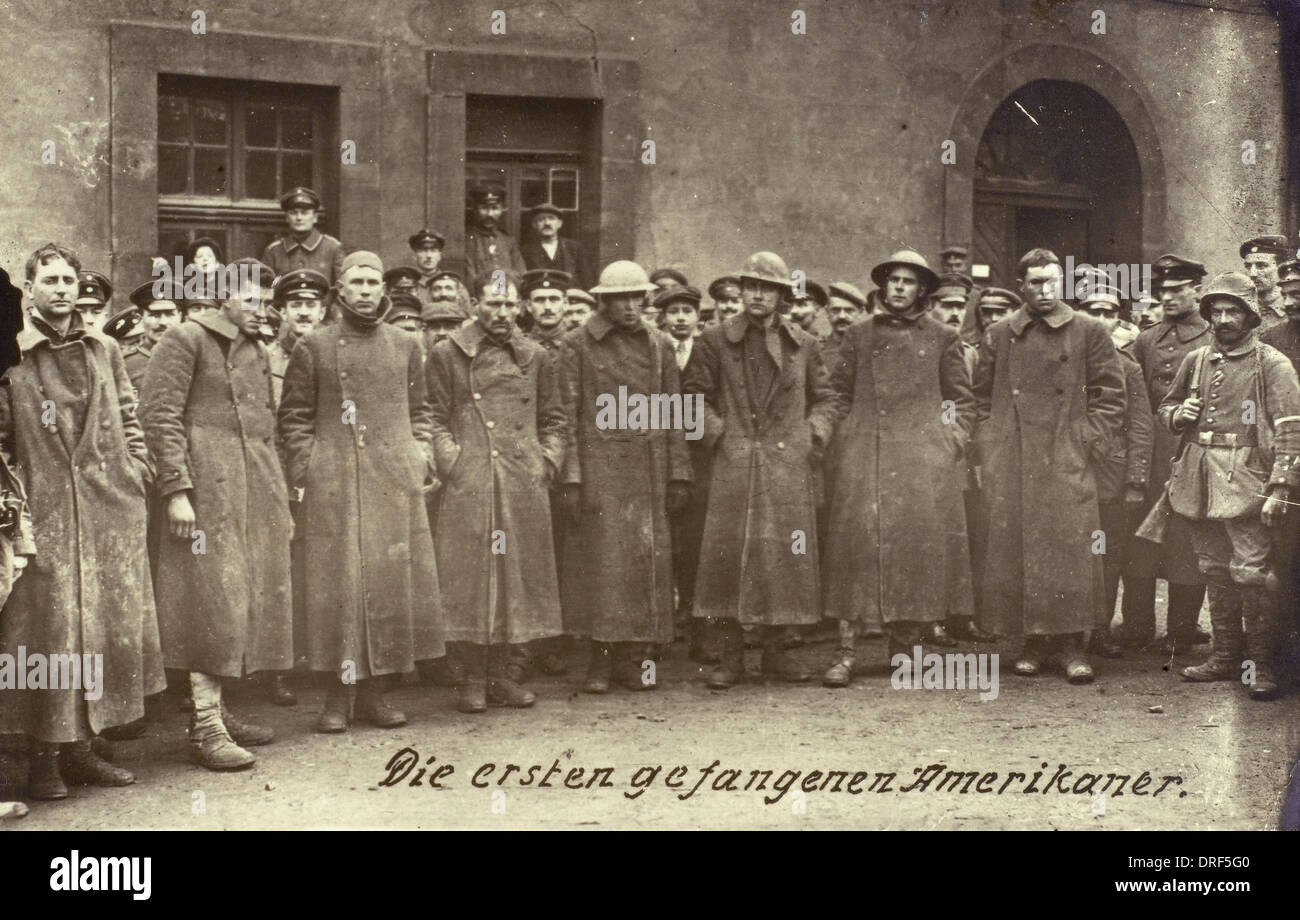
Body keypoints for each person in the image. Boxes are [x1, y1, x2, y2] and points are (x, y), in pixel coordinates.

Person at [0, 243, 164, 799]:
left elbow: (130, 412)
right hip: (41, 511)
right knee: (49, 635)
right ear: (31, 288)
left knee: (98, 628)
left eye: (69, 278)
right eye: (50, 279)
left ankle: (84, 750)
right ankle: (43, 760)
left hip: (106, 509)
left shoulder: (106, 348)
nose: (63, 288)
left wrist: (135, 468)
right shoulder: (13, 352)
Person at [277, 251, 444, 732]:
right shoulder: (315, 345)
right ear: (340, 290)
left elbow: (422, 410)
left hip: (393, 480)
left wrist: (420, 454)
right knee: (338, 588)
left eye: (374, 281)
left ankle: (374, 694)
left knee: (387, 584)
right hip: (336, 481)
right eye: (357, 282)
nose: (367, 290)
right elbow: (295, 418)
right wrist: (309, 468)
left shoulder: (407, 343)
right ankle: (335, 696)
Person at [138, 262, 291, 770]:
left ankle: (219, 711)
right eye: (250, 299)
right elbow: (158, 416)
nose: (260, 309)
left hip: (254, 491)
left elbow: (265, 427)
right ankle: (205, 727)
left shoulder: (256, 347)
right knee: (209, 601)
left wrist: (277, 499)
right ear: (223, 296)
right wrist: (177, 490)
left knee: (238, 600)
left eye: (266, 301)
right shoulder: (185, 339)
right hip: (205, 491)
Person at [682, 251, 837, 689]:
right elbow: (693, 398)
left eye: (766, 288)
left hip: (786, 465)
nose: (756, 294)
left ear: (782, 295)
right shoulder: (713, 340)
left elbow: (826, 399)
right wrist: (720, 437)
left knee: (780, 561)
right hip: (733, 464)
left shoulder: (803, 344)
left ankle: (775, 652)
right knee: (729, 559)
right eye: (750, 286)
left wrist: (811, 436)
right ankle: (730, 656)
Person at [821, 250, 974, 687]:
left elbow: (960, 402)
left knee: (913, 550)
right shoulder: (858, 334)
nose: (900, 288)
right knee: (855, 550)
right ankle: (846, 651)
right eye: (893, 280)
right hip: (863, 457)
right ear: (883, 287)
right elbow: (837, 394)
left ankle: (904, 649)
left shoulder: (943, 337)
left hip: (920, 462)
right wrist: (846, 438)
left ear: (922, 289)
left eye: (909, 281)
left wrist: (947, 442)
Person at [972, 248, 1125, 684]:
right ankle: (1033, 642)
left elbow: (1111, 396)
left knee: (1072, 549)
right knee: (1020, 550)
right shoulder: (1002, 332)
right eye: (1036, 282)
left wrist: (1083, 441)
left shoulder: (1088, 330)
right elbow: (980, 396)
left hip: (1065, 454)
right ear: (1022, 285)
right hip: (1015, 457)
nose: (1045, 290)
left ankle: (1074, 645)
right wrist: (990, 443)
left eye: (1053, 281)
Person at [1152, 271, 1300, 701]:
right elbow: (1166, 406)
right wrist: (1179, 415)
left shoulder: (1271, 363)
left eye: (1232, 310)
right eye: (1215, 311)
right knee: (1214, 570)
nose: (1222, 319)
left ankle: (1261, 664)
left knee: (1251, 573)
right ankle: (1225, 656)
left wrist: (1280, 485)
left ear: (1251, 315)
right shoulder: (1196, 359)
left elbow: (1291, 429)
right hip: (1199, 476)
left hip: (1247, 478)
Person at [427, 272, 567, 711]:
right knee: (472, 580)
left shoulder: (536, 355)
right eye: (493, 304)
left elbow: (555, 418)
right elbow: (432, 416)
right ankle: (470, 678)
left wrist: (546, 461)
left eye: (509, 305)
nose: (502, 314)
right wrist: (454, 463)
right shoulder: (448, 353)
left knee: (515, 579)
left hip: (521, 481)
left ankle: (503, 675)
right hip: (473, 482)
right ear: (475, 305)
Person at [558, 261, 692, 692]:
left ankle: (634, 659)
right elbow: (568, 413)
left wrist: (678, 473)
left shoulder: (659, 344)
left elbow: (674, 411)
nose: (631, 306)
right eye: (621, 298)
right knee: (603, 567)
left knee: (643, 566)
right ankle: (599, 660)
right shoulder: (577, 344)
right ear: (604, 300)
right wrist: (574, 478)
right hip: (602, 471)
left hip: (648, 471)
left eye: (637, 297)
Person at [1126, 255, 1212, 650]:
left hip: (1194, 454)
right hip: (1151, 454)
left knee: (1187, 544)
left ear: (1196, 290)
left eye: (1178, 290)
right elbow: (1136, 399)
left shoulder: (1212, 337)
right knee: (1141, 542)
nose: (1169, 297)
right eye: (1163, 291)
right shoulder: (1146, 339)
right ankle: (1137, 626)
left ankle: (1181, 630)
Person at [1077, 283, 1154, 659]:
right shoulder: (1067, 359)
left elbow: (1141, 425)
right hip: (1069, 473)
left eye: (1109, 313)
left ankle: (1099, 629)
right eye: (1094, 311)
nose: (1102, 319)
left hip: (1111, 476)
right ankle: (1062, 631)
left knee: (1105, 552)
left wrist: (1136, 480)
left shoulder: (1128, 367)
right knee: (1070, 550)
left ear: (1119, 318)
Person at [268, 268, 330, 408]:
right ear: (283, 313)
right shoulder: (268, 357)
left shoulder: (334, 354)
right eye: (296, 305)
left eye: (310, 305)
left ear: (322, 313)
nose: (303, 313)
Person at [262, 187, 345, 284]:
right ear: (287, 218)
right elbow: (266, 289)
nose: (299, 218)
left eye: (304, 213)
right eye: (293, 213)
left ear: (315, 217)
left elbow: (342, 288)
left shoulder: (333, 248)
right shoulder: (273, 251)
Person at [121, 280, 182, 395]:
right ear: (140, 318)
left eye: (169, 314)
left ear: (180, 316)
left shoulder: (194, 358)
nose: (163, 322)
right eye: (155, 315)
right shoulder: (126, 364)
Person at [465, 184, 525, 287]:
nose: (490, 214)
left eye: (495, 208)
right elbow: (470, 278)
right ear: (475, 210)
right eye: (484, 208)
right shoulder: (466, 240)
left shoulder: (508, 241)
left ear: (502, 210)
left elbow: (521, 273)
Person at [521, 205, 588, 289]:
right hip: (541, 298)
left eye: (551, 218)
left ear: (559, 224)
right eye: (541, 219)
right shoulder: (525, 251)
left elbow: (586, 279)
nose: (547, 223)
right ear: (534, 224)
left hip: (571, 297)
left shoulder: (574, 248)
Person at [1241, 235, 1291, 331]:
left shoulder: (1294, 311)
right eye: (1248, 267)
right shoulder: (1240, 311)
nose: (1252, 274)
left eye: (1261, 266)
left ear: (1282, 269)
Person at [521, 268, 571, 353]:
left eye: (553, 300)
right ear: (529, 306)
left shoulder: (577, 345)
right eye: (540, 300)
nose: (547, 307)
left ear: (565, 304)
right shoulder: (520, 346)